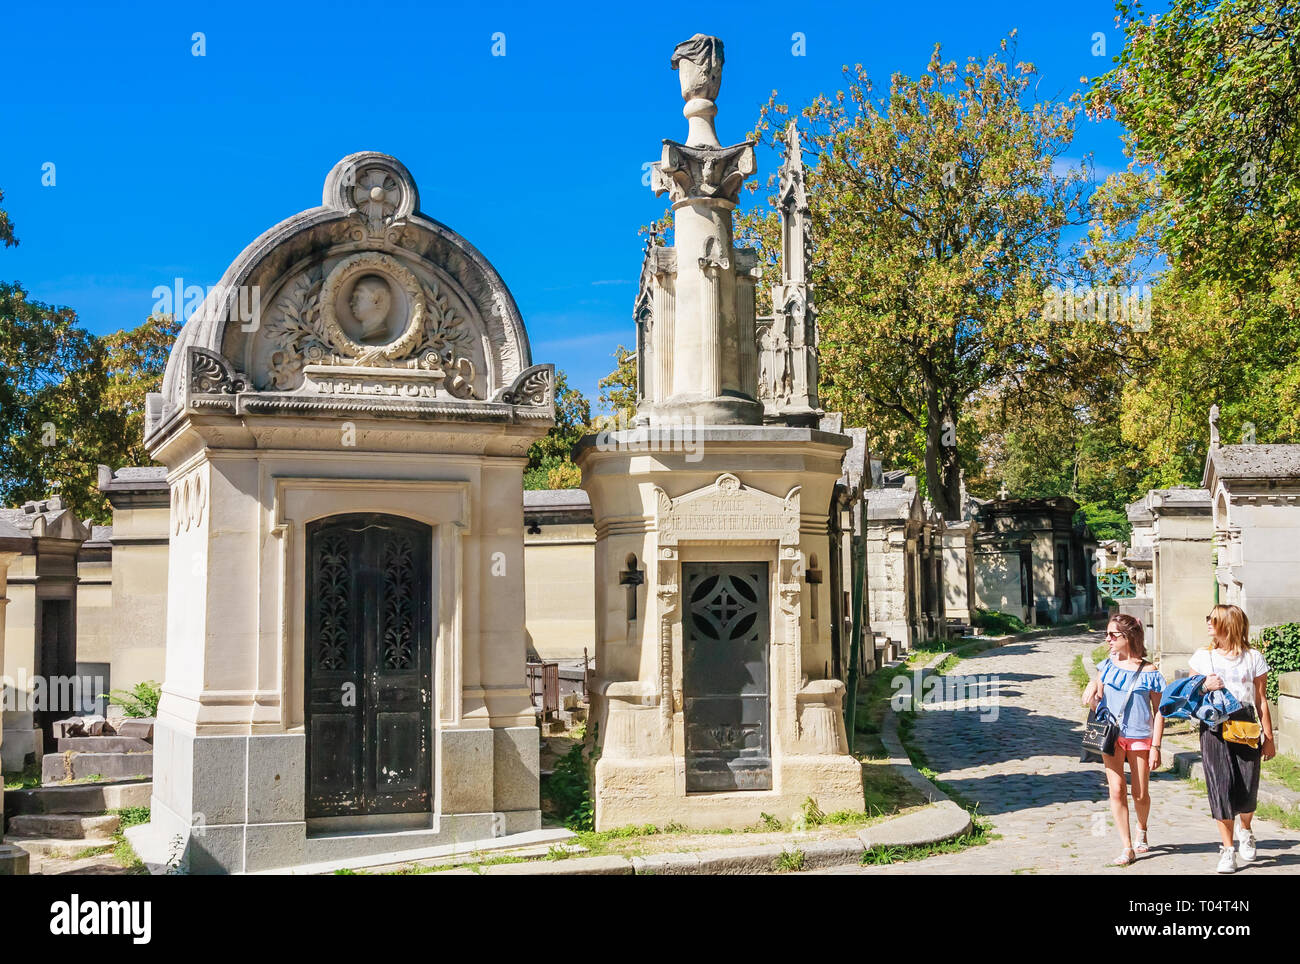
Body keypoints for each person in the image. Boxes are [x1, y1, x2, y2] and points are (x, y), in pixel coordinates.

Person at [1191, 604, 1275, 873]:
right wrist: (1204, 685)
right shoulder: (1202, 658)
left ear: (1228, 624)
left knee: (1248, 787)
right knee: (1220, 786)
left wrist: (1269, 736)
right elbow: (1189, 695)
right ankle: (1227, 849)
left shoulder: (1253, 658)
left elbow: (1261, 699)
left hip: (1246, 723)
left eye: (1212, 619)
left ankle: (1246, 829)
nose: (1207, 623)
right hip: (1214, 726)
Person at [1083, 614, 1166, 866]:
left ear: (1128, 637)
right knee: (1117, 790)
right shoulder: (1106, 665)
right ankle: (1127, 846)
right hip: (1111, 735)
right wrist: (1090, 691)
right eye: (1107, 634)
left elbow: (1160, 711)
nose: (1107, 639)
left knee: (1140, 793)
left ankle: (1142, 828)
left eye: (1113, 635)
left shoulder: (1150, 671)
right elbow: (1095, 691)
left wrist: (1156, 746)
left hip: (1141, 737)